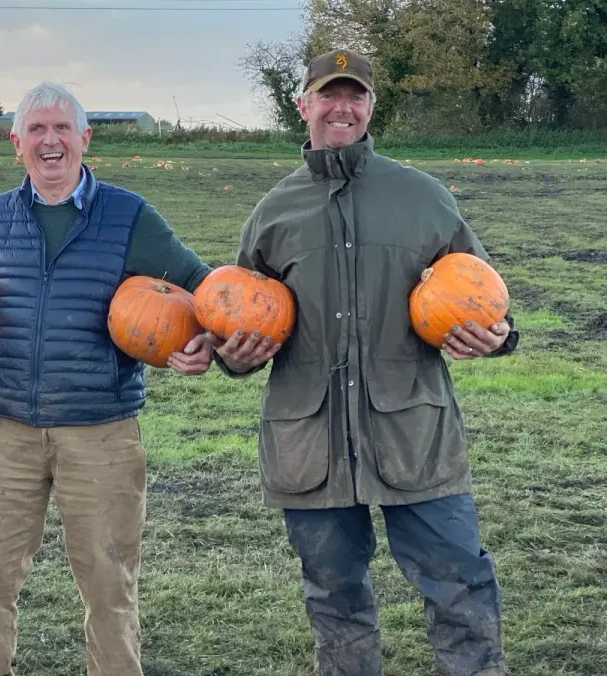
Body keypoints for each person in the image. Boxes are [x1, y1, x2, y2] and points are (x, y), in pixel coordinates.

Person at [0, 81, 216, 676]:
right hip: (3, 432)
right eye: (36, 130)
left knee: (110, 585)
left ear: (85, 139)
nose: (50, 141)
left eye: (62, 128)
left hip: (102, 433)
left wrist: (205, 342)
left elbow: (203, 286)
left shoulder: (130, 217)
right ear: (17, 143)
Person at [207, 49, 517, 676]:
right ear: (304, 104)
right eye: (329, 94)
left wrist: (501, 336)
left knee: (459, 582)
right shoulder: (274, 212)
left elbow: (483, 293)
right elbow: (241, 312)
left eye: (355, 96)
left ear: (372, 107)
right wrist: (233, 359)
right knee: (334, 598)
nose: (341, 108)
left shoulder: (424, 198)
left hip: (414, 434)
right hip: (311, 442)